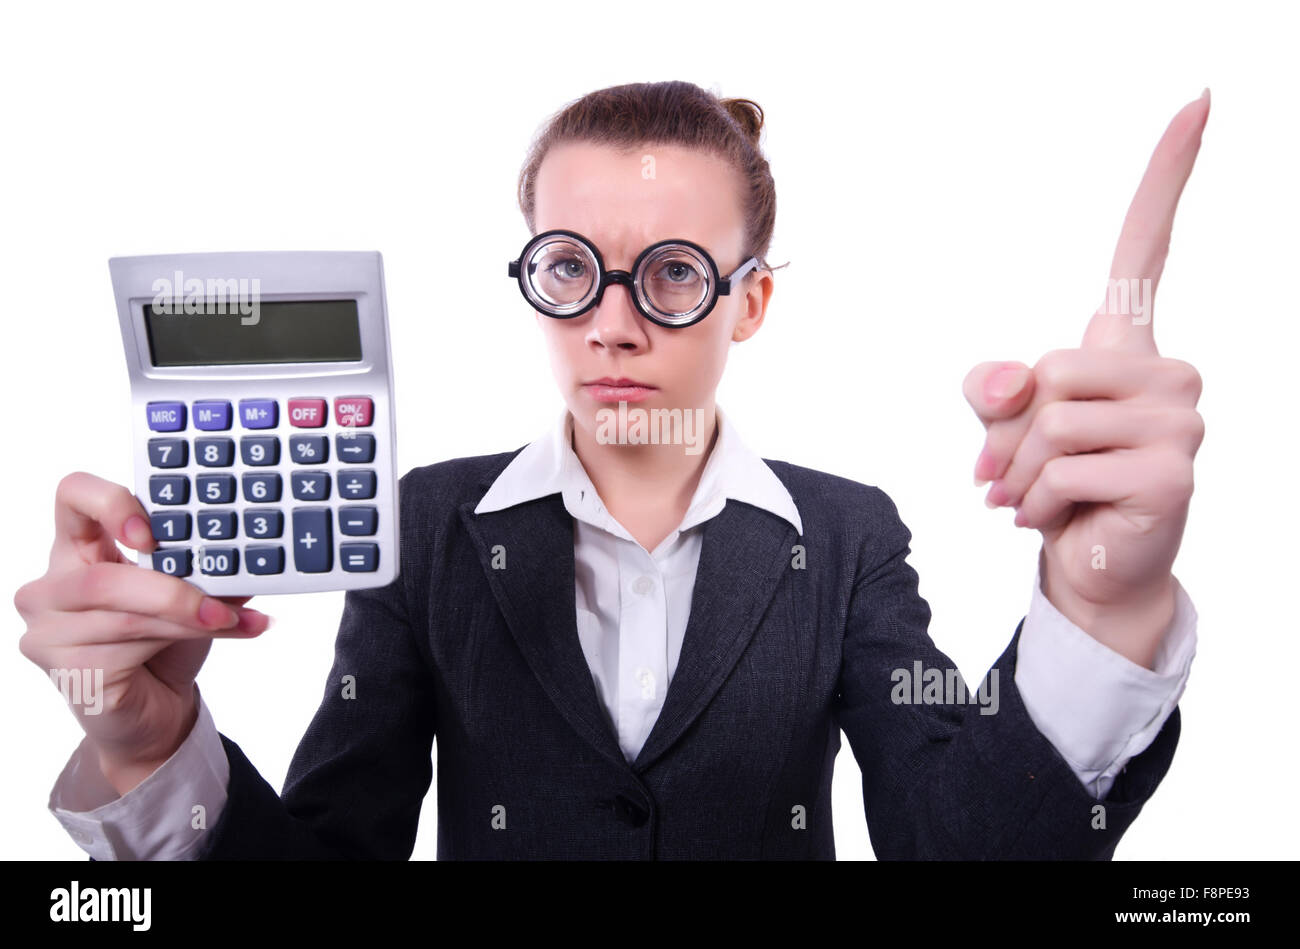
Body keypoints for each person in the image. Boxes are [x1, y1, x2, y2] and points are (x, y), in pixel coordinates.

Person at [15, 80, 1206, 860]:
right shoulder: (428, 526)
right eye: (569, 269)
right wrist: (148, 748)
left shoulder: (844, 536)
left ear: (750, 304)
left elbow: (958, 842)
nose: (614, 326)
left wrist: (1101, 611)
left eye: (675, 273)